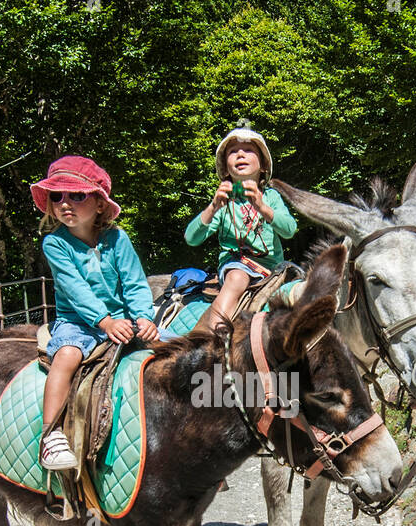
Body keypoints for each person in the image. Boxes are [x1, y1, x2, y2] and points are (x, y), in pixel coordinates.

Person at [31, 155, 160, 471]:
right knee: (66, 357)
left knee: (175, 350)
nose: (65, 203)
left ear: (100, 204)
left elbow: (134, 282)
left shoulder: (117, 239)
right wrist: (104, 322)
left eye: (77, 195)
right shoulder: (55, 243)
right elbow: (75, 289)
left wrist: (144, 317)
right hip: (77, 322)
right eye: (57, 196)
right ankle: (52, 436)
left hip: (121, 321)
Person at [185, 123, 297, 333]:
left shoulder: (271, 197)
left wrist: (263, 207)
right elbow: (192, 238)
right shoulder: (224, 201)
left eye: (248, 150)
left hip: (273, 268)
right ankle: (215, 335)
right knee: (237, 277)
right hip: (237, 266)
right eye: (233, 151)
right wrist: (213, 207)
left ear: (263, 166)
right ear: (225, 168)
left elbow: (290, 230)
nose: (240, 155)